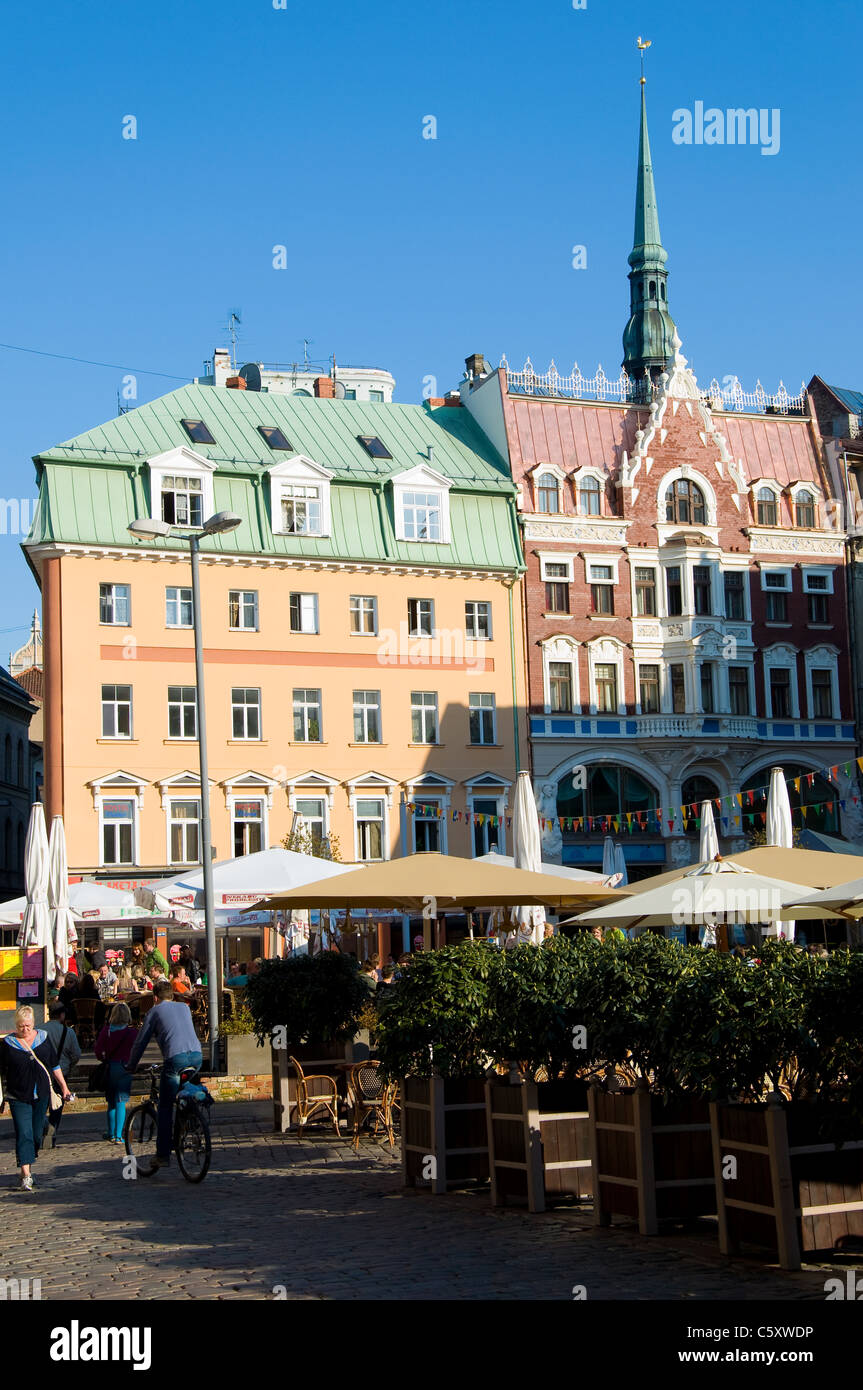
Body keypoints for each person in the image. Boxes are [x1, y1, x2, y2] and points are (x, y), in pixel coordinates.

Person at [126, 980, 202, 1168]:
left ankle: (163, 1155)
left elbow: (141, 1041)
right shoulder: (184, 1008)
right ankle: (189, 1122)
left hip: (176, 1059)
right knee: (184, 1092)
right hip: (197, 1056)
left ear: (155, 998)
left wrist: (131, 1065)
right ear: (172, 995)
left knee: (165, 1106)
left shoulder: (155, 1011)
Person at [0, 1006, 73, 1190]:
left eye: (28, 1025)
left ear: (33, 1024)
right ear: (16, 1025)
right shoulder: (8, 1044)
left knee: (35, 1134)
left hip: (41, 1094)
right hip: (18, 1096)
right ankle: (26, 1174)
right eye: (21, 1026)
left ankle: (28, 1164)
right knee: (23, 1133)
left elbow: (54, 1065)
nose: (25, 1029)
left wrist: (64, 1088)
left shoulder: (43, 1039)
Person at [94, 1003, 138, 1145]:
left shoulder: (106, 1031)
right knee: (121, 1102)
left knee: (111, 1102)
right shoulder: (132, 1033)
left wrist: (104, 1058)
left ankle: (111, 1132)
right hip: (124, 1067)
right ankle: (119, 1135)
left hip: (110, 1067)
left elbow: (98, 1051)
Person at [42, 1003, 82, 1149]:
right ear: (62, 1015)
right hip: (61, 1073)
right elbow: (76, 1054)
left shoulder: (39, 1030)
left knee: (41, 1105)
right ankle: (52, 1131)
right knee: (57, 1106)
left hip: (42, 1073)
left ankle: (43, 1126)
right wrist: (70, 1066)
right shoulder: (68, 1032)